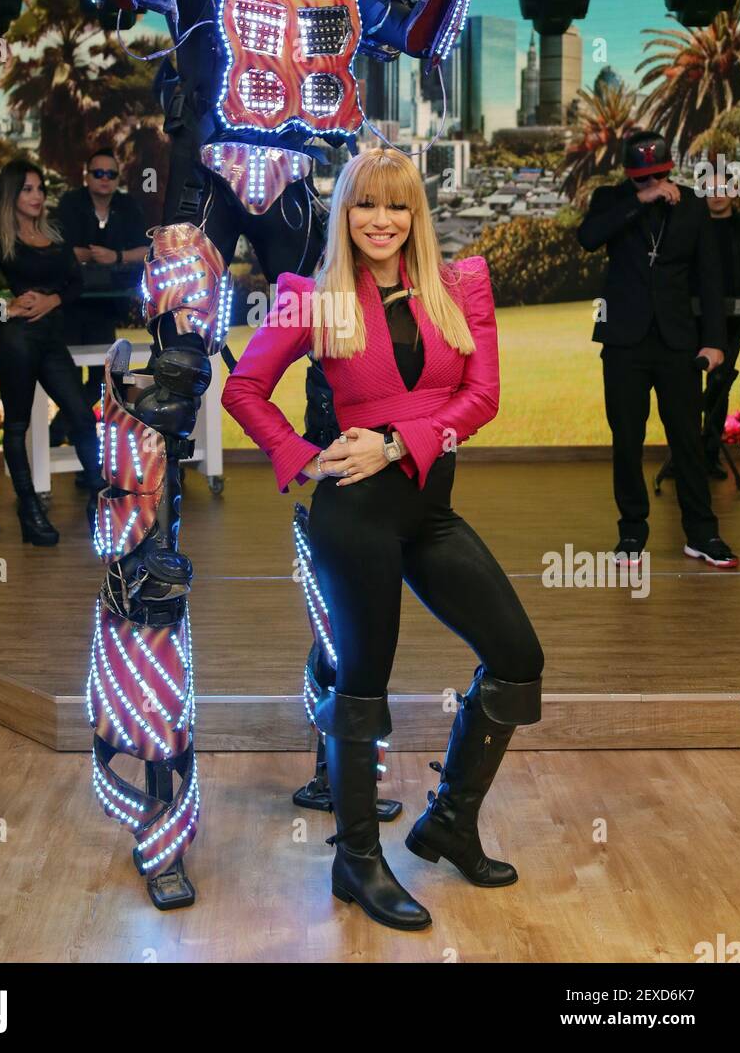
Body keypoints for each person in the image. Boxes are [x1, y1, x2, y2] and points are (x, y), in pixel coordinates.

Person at [82, 0, 479, 907]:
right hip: (204, 203)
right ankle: (158, 802)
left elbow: (430, 35)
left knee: (351, 458)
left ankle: (338, 744)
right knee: (146, 439)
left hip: (317, 213)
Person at [222, 148, 544, 932]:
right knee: (363, 682)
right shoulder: (314, 299)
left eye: (396, 206)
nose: (380, 220)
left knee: (517, 660)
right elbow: (243, 388)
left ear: (415, 215)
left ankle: (448, 821)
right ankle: (356, 860)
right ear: (345, 212)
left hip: (429, 510)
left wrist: (398, 444)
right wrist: (302, 456)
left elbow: (482, 396)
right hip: (355, 517)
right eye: (365, 204)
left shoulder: (458, 286)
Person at [578, 130, 737, 569]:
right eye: (643, 177)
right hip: (623, 342)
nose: (653, 182)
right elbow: (588, 238)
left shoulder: (691, 205)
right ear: (630, 174)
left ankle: (702, 534)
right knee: (627, 441)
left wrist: (715, 341)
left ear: (669, 168)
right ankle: (631, 534)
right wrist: (639, 202)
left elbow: (710, 277)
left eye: (658, 175)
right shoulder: (612, 199)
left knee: (687, 440)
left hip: (678, 343)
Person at [0, 159, 105, 547]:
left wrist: (52, 300)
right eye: (27, 190)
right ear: (11, 195)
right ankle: (29, 506)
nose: (36, 196)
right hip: (15, 340)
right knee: (17, 425)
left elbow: (76, 282)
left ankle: (102, 500)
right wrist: (7, 308)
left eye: (39, 189)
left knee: (82, 418)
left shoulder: (53, 236)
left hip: (52, 341)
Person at [50, 147, 148, 454]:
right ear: (86, 175)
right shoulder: (70, 203)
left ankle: (60, 431)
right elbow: (52, 244)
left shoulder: (127, 205)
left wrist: (115, 257)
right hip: (71, 302)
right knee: (66, 374)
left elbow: (147, 249)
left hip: (107, 305)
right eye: (98, 173)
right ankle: (74, 436)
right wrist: (75, 254)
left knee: (101, 377)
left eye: (111, 174)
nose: (104, 179)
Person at [701, 177, 740, 477]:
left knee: (719, 382)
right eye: (710, 190)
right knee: (685, 387)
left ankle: (709, 454)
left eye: (723, 189)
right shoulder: (694, 229)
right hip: (694, 318)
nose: (717, 196)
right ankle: (684, 454)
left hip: (735, 319)